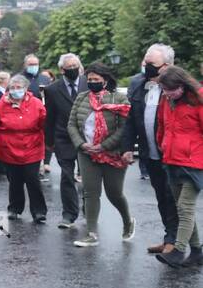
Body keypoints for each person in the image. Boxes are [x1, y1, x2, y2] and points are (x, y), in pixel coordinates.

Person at [65, 63, 136, 247]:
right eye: (89, 80)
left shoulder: (118, 98)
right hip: (87, 153)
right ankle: (91, 233)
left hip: (112, 153)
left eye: (96, 80)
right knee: (90, 192)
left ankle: (128, 221)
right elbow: (71, 124)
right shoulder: (81, 98)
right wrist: (81, 144)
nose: (92, 82)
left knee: (114, 193)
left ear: (105, 80)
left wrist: (104, 145)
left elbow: (125, 127)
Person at [120, 44, 180, 253]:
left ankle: (174, 241)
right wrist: (127, 147)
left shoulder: (177, 88)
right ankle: (171, 238)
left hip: (172, 155)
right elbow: (131, 119)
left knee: (173, 198)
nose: (146, 67)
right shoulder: (138, 84)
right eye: (145, 63)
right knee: (161, 198)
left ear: (167, 66)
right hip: (149, 154)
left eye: (151, 64)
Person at [153, 66, 203, 269]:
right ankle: (198, 250)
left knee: (185, 207)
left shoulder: (198, 99)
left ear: (182, 85)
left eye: (170, 89)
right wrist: (162, 144)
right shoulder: (167, 100)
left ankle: (178, 250)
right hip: (171, 160)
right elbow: (162, 125)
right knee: (183, 209)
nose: (167, 94)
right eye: (164, 90)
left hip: (194, 162)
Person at [0, 73, 48, 223]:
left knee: (32, 179)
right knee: (14, 180)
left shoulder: (36, 103)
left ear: (26, 88)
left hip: (32, 148)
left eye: (19, 87)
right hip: (9, 149)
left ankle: (39, 212)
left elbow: (45, 122)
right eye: (13, 87)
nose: (16, 90)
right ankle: (14, 208)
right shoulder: (2, 104)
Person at [43, 53, 86, 229]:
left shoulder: (87, 84)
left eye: (76, 66)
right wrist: (49, 141)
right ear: (62, 70)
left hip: (86, 138)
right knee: (67, 176)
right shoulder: (52, 89)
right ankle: (69, 214)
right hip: (63, 138)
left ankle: (90, 211)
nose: (73, 70)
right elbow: (50, 117)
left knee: (88, 178)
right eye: (69, 67)